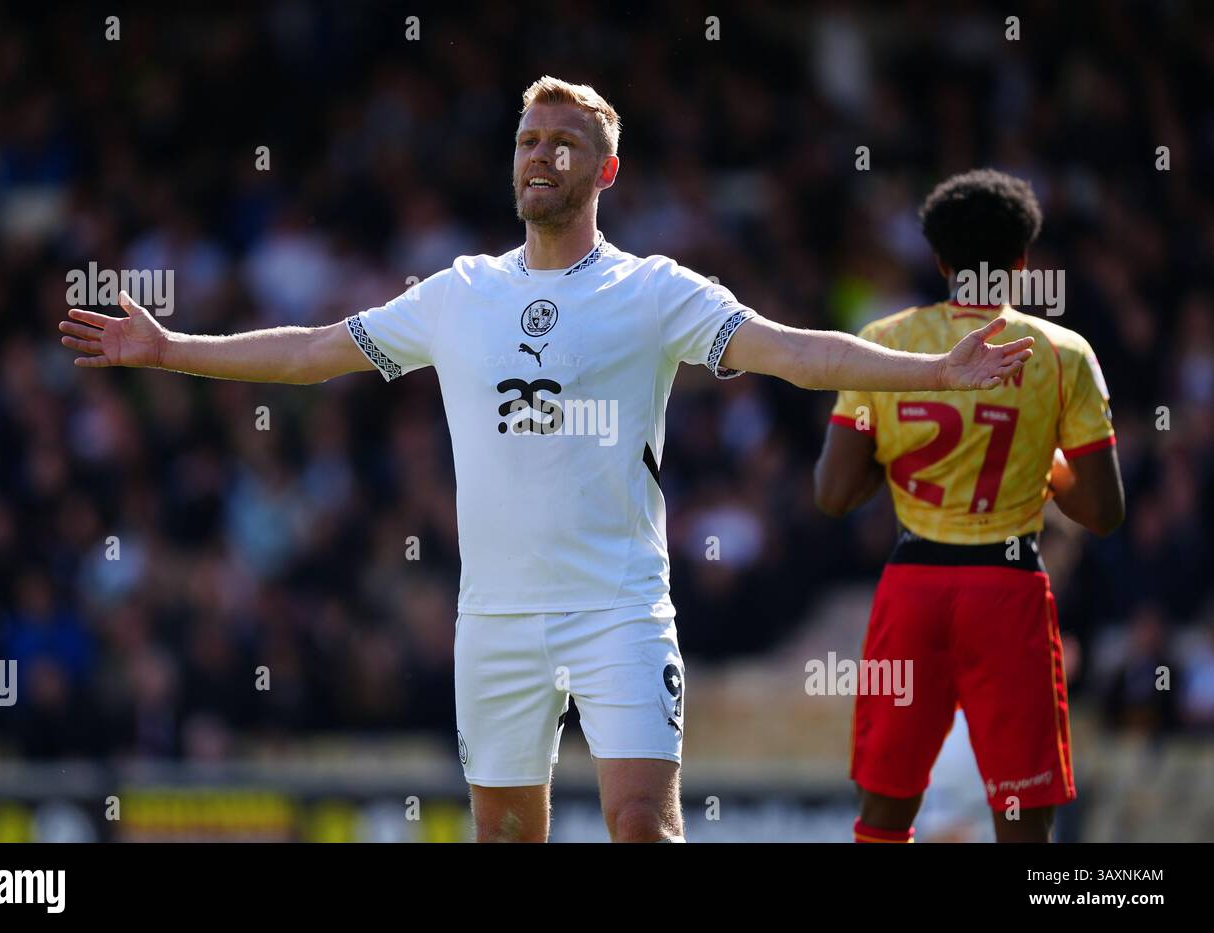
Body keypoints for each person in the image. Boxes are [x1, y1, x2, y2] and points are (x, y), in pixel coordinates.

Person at [60, 79, 1032, 842]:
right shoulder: (458, 292)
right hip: (496, 615)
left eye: (565, 141)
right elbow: (315, 352)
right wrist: (173, 349)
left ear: (605, 172)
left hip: (617, 606)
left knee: (641, 824)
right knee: (505, 832)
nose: (542, 153)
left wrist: (939, 372)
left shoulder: (653, 291)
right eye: (528, 139)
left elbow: (792, 349)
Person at [814, 168, 1123, 843]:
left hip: (912, 586)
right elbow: (1103, 509)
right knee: (1022, 819)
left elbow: (833, 494)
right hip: (1007, 589)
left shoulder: (883, 341)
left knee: (886, 809)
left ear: (939, 259)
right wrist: (1045, 466)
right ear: (1021, 262)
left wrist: (889, 455)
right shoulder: (1063, 353)